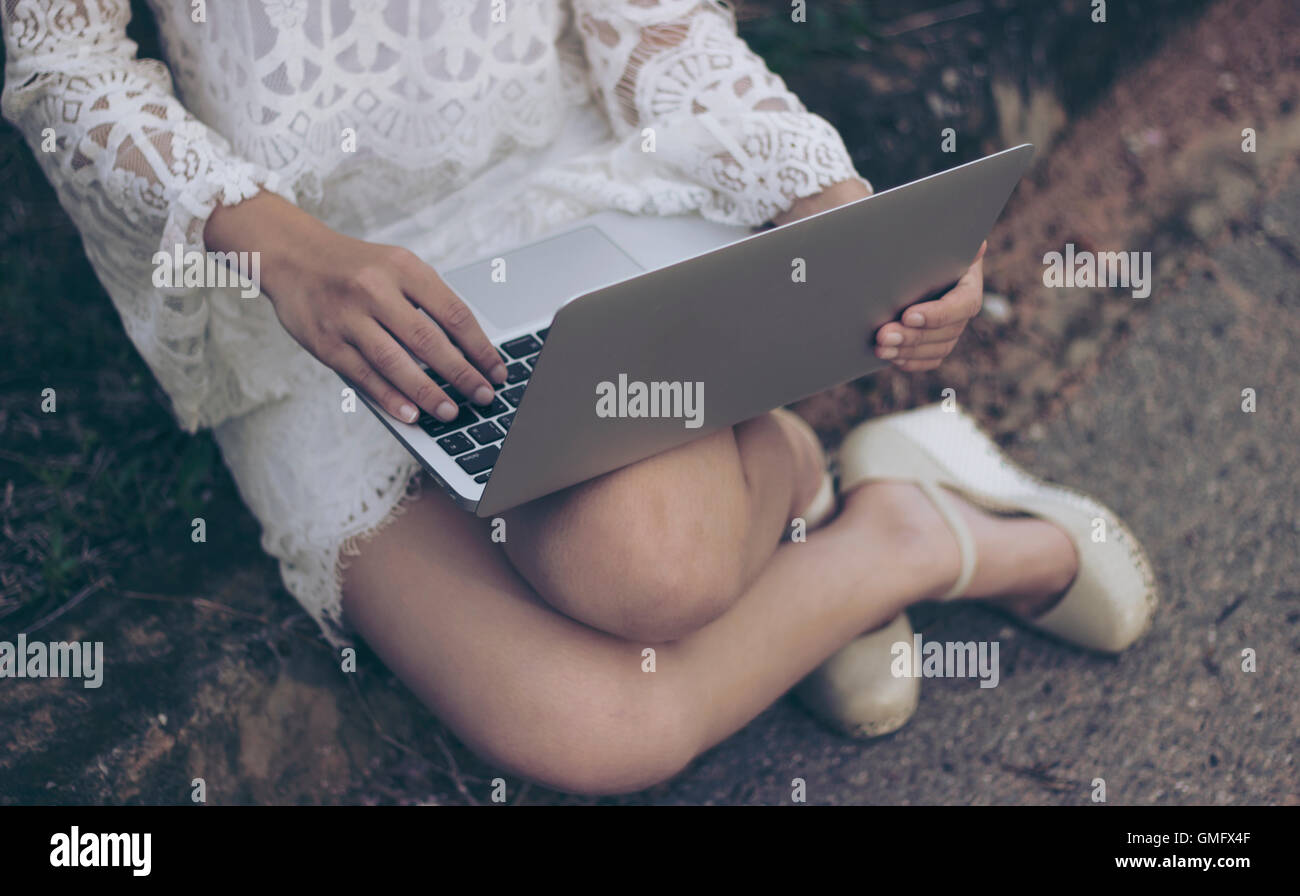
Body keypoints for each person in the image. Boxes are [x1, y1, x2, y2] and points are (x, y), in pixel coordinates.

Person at [3, 0, 1156, 796]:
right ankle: (888, 531)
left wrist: (838, 218)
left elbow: (652, 23)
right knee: (601, 728)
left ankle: (800, 498)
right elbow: (61, 64)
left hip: (559, 202)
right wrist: (286, 251)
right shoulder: (292, 267)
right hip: (299, 288)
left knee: (656, 567)